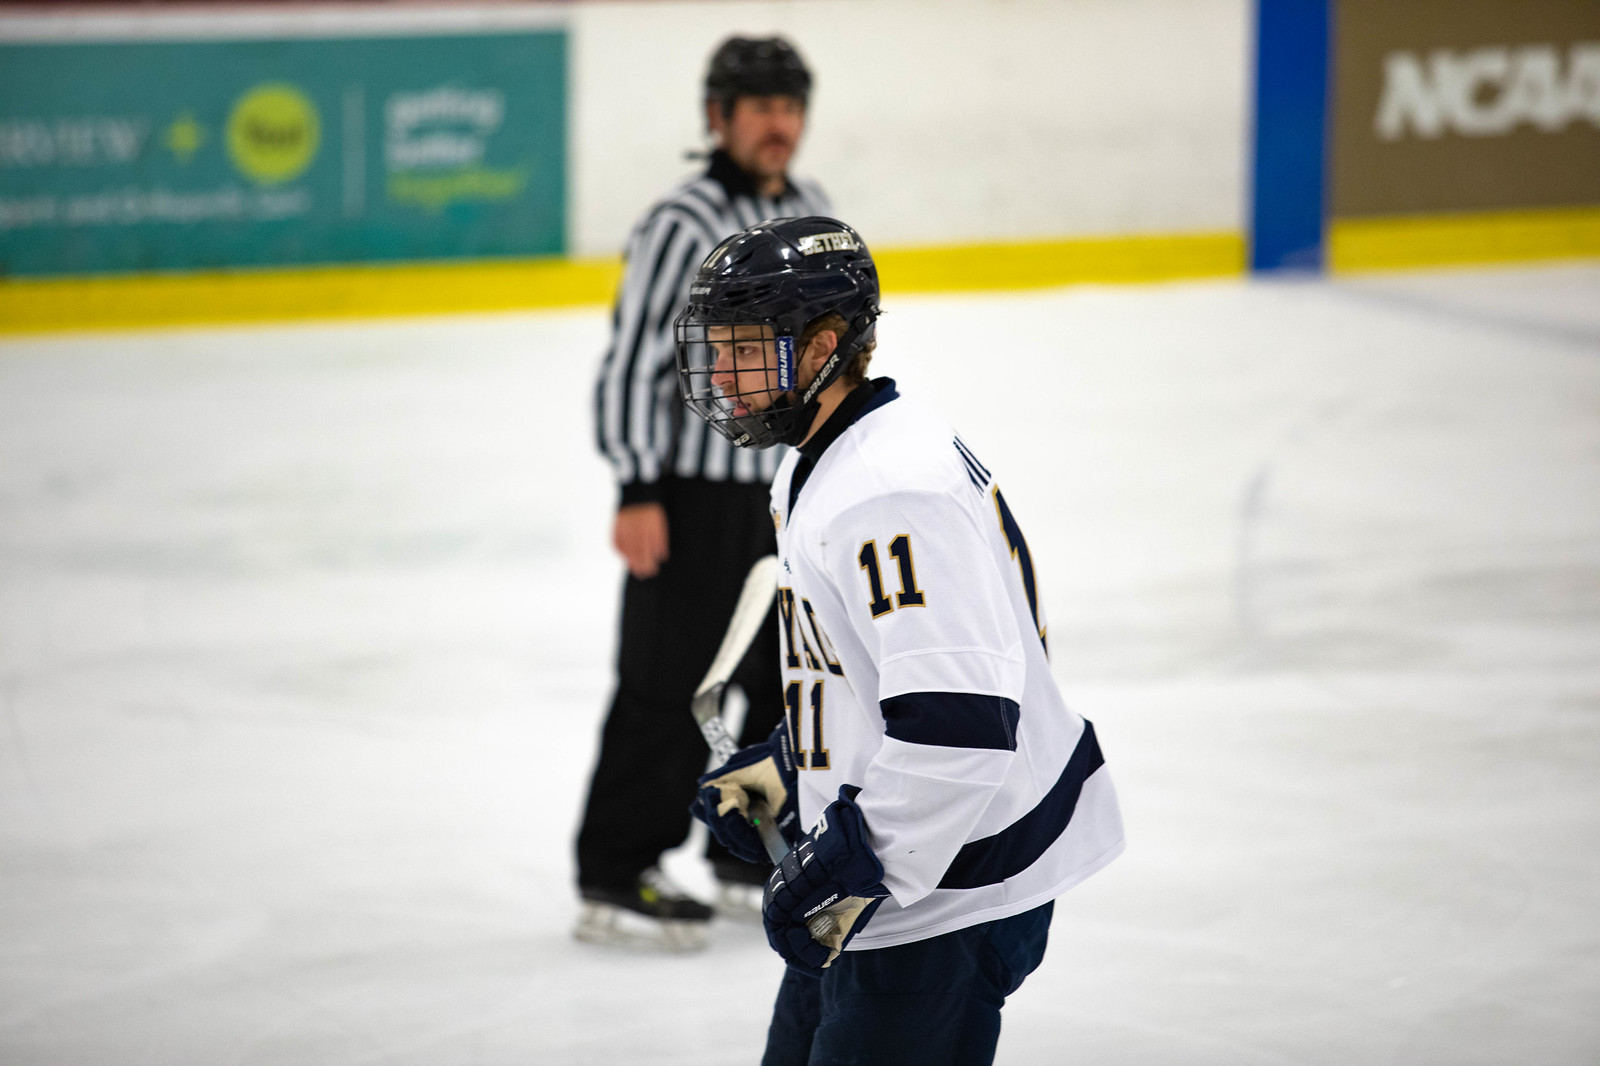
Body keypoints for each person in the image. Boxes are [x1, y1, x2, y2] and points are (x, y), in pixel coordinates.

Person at [678, 216, 1126, 1065]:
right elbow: (871, 675)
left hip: (948, 898)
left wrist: (854, 865)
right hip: (891, 876)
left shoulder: (887, 492)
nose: (724, 376)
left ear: (822, 348)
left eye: (744, 348)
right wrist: (792, 765)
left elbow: (958, 730)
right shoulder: (820, 457)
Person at [577, 36, 833, 951]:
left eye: (791, 105)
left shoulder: (812, 213)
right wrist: (638, 486)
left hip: (783, 498)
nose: (780, 124)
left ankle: (747, 855)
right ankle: (617, 868)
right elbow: (631, 364)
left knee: (780, 686)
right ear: (718, 118)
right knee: (667, 685)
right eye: (760, 106)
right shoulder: (681, 223)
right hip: (688, 501)